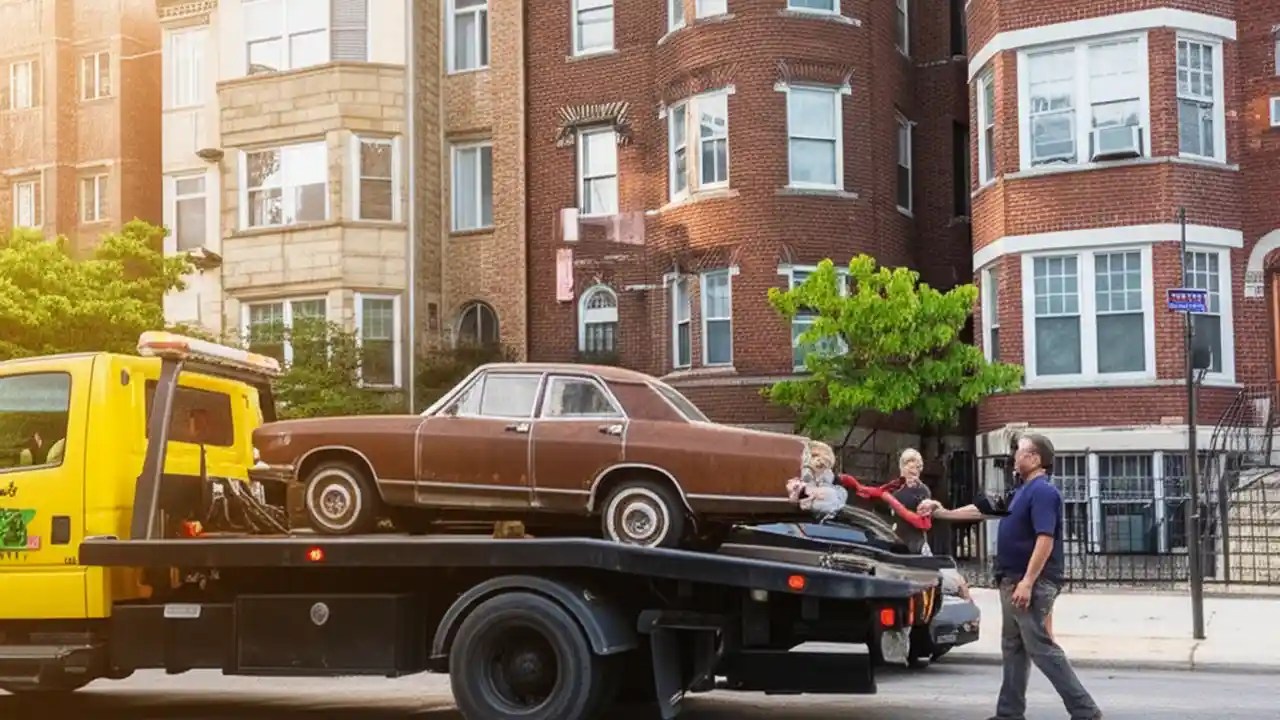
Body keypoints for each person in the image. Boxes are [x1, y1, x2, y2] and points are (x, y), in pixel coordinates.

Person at [918, 433, 1101, 720]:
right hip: (1012, 580)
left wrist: (1028, 582)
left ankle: (1085, 712)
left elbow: (1045, 539)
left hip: (1031, 583)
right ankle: (1009, 713)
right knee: (1013, 647)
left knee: (1040, 647)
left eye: (1020, 450)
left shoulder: (1043, 492)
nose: (1015, 455)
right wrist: (941, 512)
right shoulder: (1018, 493)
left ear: (1036, 459)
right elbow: (980, 510)